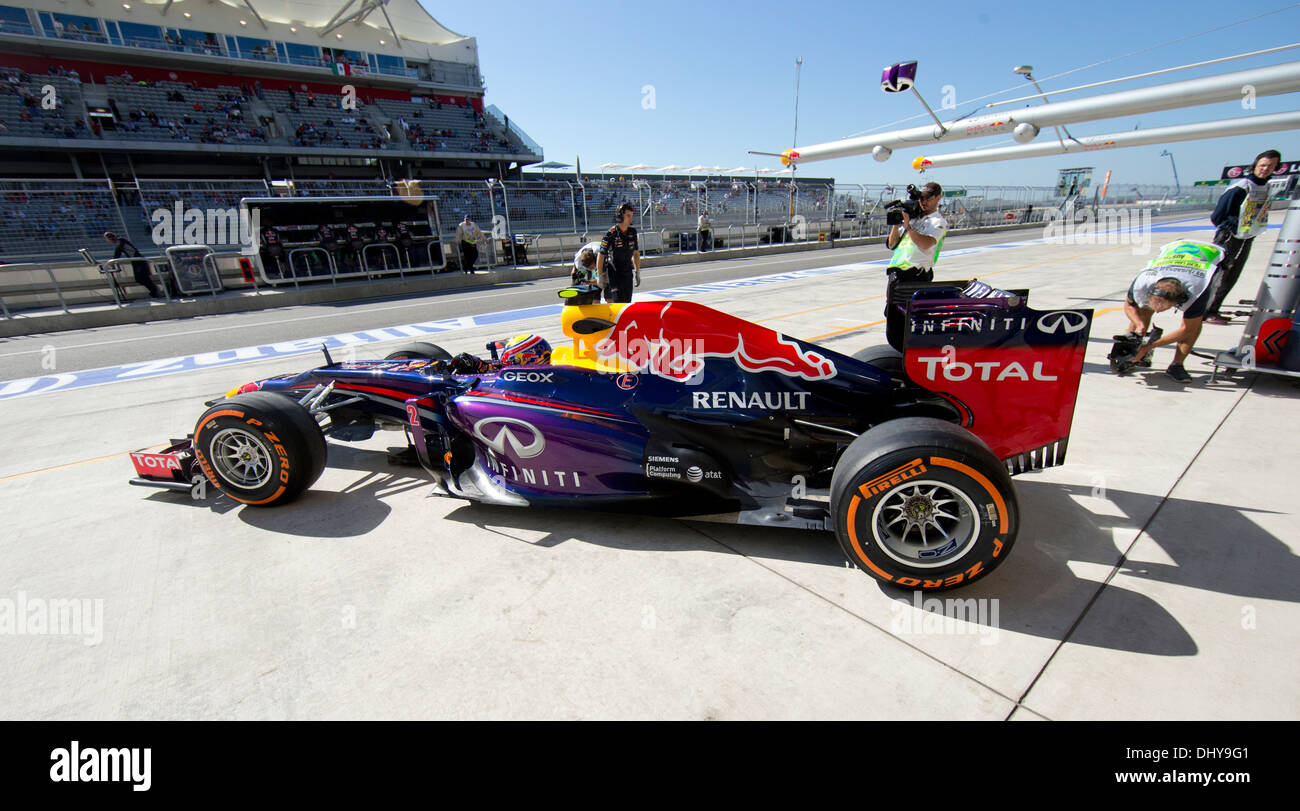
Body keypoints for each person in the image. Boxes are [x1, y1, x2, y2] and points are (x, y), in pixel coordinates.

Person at [1121, 239, 1225, 383]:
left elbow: (1187, 329)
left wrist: (1150, 346)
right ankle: (1130, 351)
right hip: (1175, 251)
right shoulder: (1144, 280)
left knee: (1194, 325)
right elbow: (1129, 306)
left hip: (1211, 256)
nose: (1157, 313)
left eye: (1163, 309)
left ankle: (1177, 365)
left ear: (1178, 301)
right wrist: (1138, 324)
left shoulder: (1197, 291)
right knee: (1143, 311)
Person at [1203, 149, 1281, 325]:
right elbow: (1217, 216)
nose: (1265, 169)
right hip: (1230, 237)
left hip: (1247, 236)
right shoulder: (1242, 187)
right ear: (1255, 165)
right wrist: (1229, 230)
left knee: (1233, 275)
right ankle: (1206, 311)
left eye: (1270, 166)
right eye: (1262, 165)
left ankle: (1213, 309)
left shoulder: (1266, 187)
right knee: (1220, 274)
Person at [883, 181, 947, 319]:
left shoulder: (938, 221)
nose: (924, 202)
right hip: (897, 274)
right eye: (922, 198)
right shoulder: (913, 218)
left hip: (916, 274)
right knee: (893, 317)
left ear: (938, 197)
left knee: (911, 318)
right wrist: (897, 223)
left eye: (928, 198)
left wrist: (909, 228)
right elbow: (892, 243)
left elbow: (926, 244)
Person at [596, 203, 640, 303]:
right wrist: (599, 275)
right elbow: (601, 254)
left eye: (632, 215)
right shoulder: (611, 233)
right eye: (628, 215)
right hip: (614, 273)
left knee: (627, 302)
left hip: (627, 271)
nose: (631, 218)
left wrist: (637, 271)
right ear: (620, 217)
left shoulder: (633, 232)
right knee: (617, 302)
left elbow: (636, 253)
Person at [104, 231, 163, 299]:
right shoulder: (121, 241)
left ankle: (154, 290)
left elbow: (118, 252)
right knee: (142, 278)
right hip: (136, 261)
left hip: (138, 261)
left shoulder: (120, 242)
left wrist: (112, 262)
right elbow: (118, 252)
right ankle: (154, 290)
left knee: (141, 278)